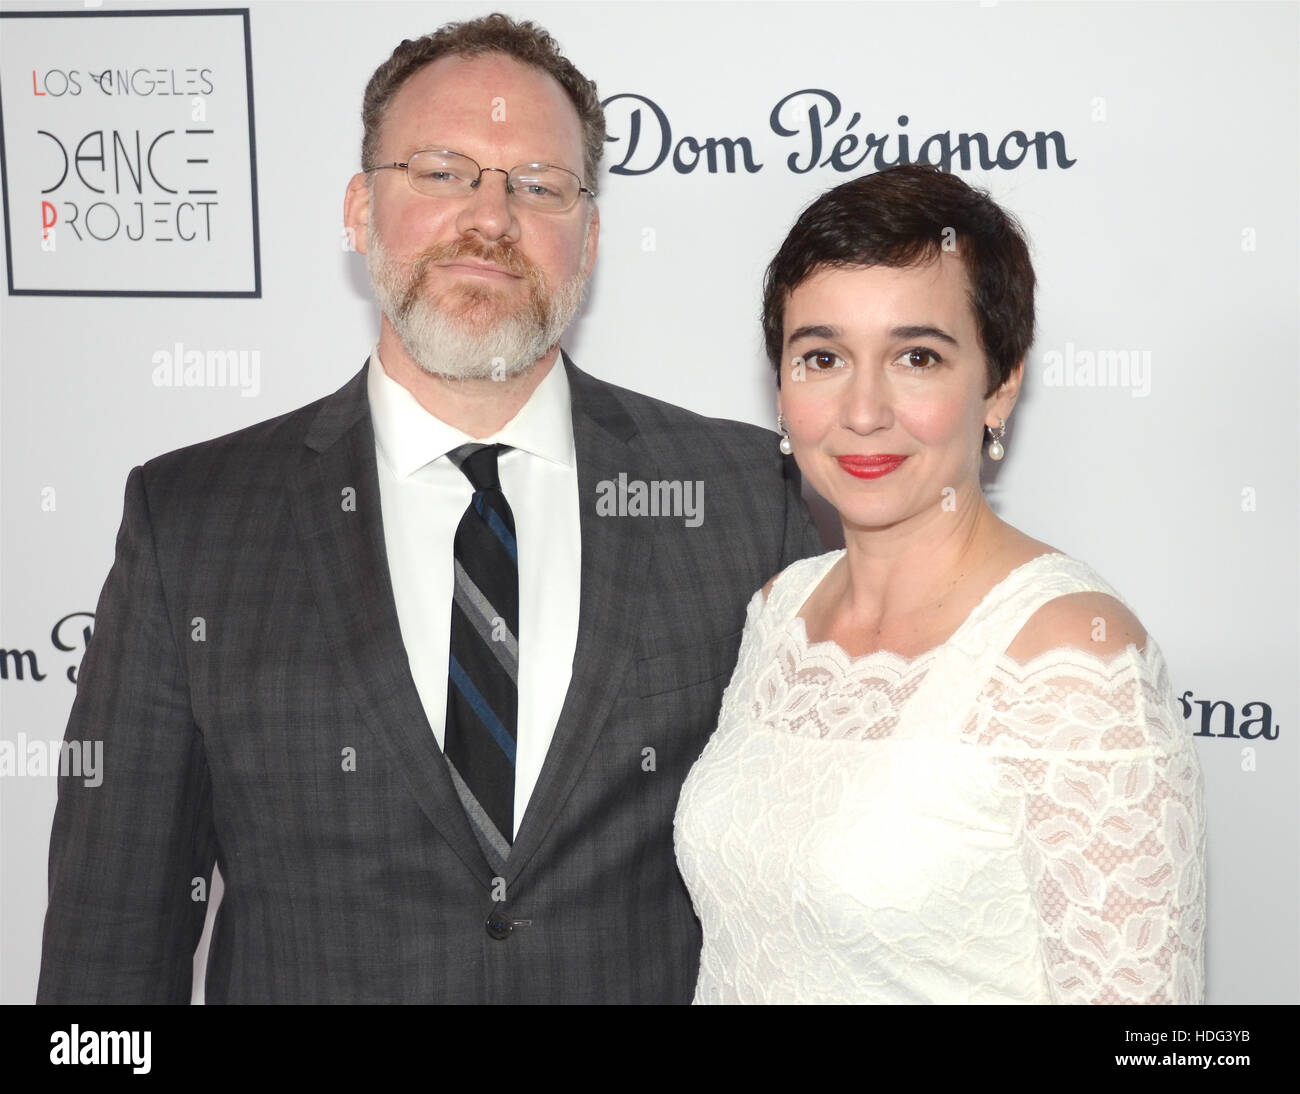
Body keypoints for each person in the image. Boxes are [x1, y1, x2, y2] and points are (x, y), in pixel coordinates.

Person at [37, 14, 822, 1005]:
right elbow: (112, 935)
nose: (489, 218)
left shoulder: (744, 493)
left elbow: (819, 892)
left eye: (538, 185)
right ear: (361, 211)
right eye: (442, 170)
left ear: (589, 237)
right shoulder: (191, 518)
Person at [674, 164, 1207, 1004]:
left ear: (1000, 385)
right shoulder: (781, 612)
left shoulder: (1072, 659)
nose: (862, 409)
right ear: (782, 385)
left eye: (915, 356)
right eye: (822, 356)